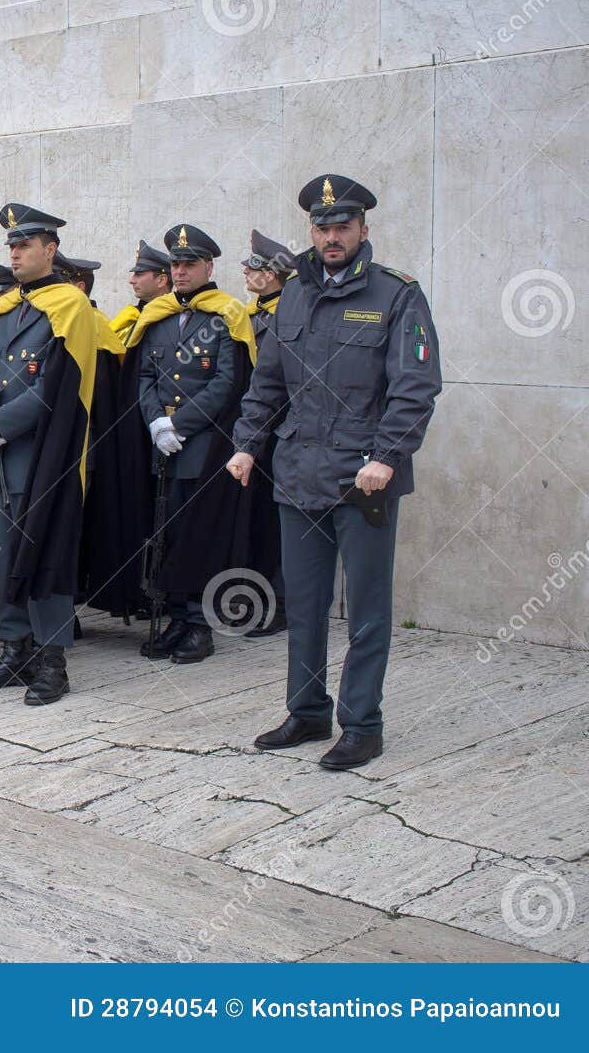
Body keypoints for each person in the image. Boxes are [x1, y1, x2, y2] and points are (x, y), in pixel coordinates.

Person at [228, 174, 441, 770]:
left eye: (342, 226)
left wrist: (386, 457)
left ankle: (362, 724)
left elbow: (416, 385)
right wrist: (248, 443)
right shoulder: (293, 294)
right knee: (303, 602)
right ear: (311, 232)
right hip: (298, 472)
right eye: (321, 227)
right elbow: (268, 382)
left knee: (367, 609)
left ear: (363, 230)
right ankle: (307, 711)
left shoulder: (397, 294)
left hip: (363, 479)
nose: (331, 236)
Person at [0, 204, 99, 705]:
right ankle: (14, 647)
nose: (16, 253)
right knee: (2, 554)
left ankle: (52, 661)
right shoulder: (4, 312)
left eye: (25, 245)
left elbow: (58, 387)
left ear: (51, 249)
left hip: (44, 453)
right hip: (0, 454)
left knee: (45, 551)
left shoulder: (69, 308)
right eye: (11, 246)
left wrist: (2, 421)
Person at [131, 224, 258, 665]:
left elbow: (227, 383)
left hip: (206, 446)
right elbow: (145, 376)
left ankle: (201, 625)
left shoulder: (225, 315)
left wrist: (177, 422)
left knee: (201, 534)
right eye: (176, 265)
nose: (181, 271)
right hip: (163, 445)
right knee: (167, 532)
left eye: (189, 264)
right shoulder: (159, 317)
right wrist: (154, 422)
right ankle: (178, 618)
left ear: (209, 266)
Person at [237, 228, 297, 639]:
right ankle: (254, 600)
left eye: (254, 267)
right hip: (251, 433)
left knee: (279, 524)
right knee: (255, 520)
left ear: (274, 275)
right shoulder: (249, 315)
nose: (246, 271)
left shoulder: (288, 315)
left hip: (280, 434)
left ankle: (280, 604)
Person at [110, 240, 173, 343]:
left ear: (161, 280)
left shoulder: (179, 319)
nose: (131, 281)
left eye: (138, 274)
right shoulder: (130, 318)